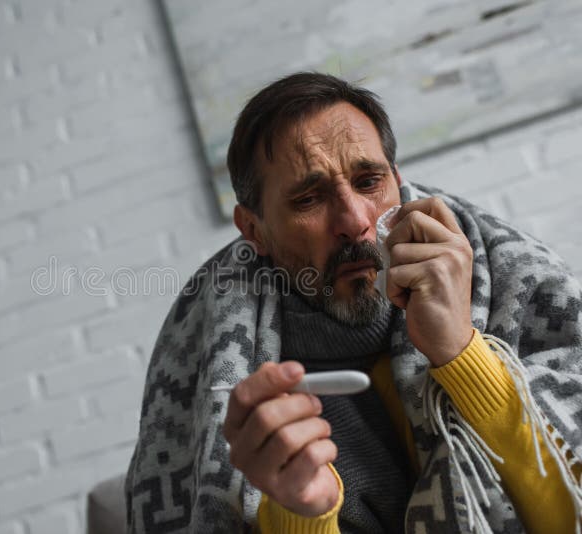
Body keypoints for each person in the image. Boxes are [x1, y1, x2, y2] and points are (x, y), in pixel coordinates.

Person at [125, 72, 582, 533]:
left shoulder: (510, 280)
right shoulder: (226, 372)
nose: (355, 220)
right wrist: (302, 511)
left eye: (369, 182)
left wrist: (461, 351)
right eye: (308, 199)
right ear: (254, 230)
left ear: (398, 181)